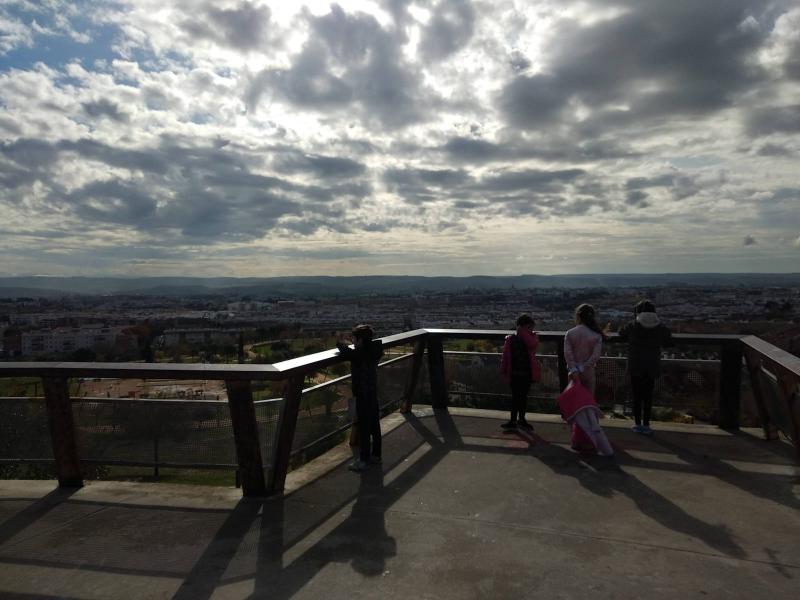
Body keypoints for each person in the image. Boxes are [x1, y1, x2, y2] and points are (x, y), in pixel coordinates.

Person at [563, 304, 613, 456]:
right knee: (589, 406)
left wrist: (574, 369)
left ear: (578, 316)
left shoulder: (570, 333)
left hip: (573, 374)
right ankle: (591, 439)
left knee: (576, 407)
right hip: (588, 372)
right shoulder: (596, 335)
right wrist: (584, 367)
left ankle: (577, 439)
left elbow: (567, 353)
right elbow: (595, 357)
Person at [618, 299, 673, 435]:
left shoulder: (633, 326)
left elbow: (621, 332)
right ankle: (647, 424)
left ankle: (637, 424)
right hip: (652, 365)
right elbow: (667, 337)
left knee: (636, 396)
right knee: (648, 396)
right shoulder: (660, 328)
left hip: (636, 364)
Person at [337, 324, 383, 472]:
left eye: (354, 338)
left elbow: (345, 351)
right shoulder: (374, 350)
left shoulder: (358, 354)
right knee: (374, 425)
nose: (352, 341)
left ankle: (364, 460)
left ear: (360, 340)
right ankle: (376, 455)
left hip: (362, 394)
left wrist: (340, 342)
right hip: (372, 391)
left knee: (364, 427)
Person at [500, 314, 541, 431]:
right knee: (521, 397)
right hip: (524, 373)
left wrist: (503, 370)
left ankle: (514, 420)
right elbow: (506, 356)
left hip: (517, 373)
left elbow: (505, 357)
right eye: (530, 327)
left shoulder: (513, 339)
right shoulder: (530, 338)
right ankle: (520, 420)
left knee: (517, 397)